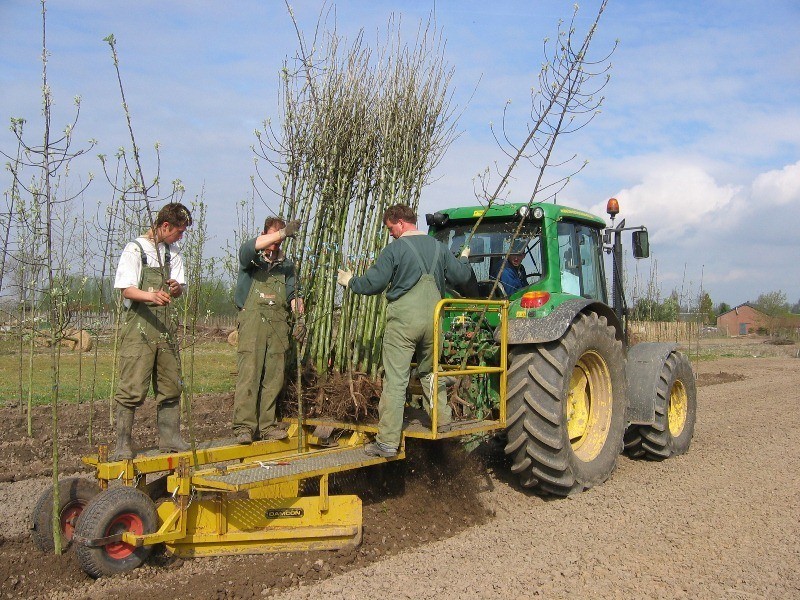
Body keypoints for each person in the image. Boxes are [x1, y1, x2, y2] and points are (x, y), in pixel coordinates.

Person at [337, 204, 473, 457]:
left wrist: (350, 281)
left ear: (400, 222)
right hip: (434, 321)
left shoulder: (395, 250)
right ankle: (442, 423)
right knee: (432, 372)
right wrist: (464, 258)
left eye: (390, 228)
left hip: (404, 323)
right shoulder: (440, 249)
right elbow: (463, 277)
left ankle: (387, 442)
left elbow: (373, 283)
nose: (390, 233)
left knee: (396, 379)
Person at [111, 202, 193, 460]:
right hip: (139, 327)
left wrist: (177, 289)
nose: (181, 236)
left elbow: (180, 287)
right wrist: (149, 295)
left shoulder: (173, 252)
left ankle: (170, 437)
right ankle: (122, 444)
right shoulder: (136, 249)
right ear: (165, 226)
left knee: (170, 384)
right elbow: (126, 289)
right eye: (179, 231)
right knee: (132, 386)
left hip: (165, 329)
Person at [232, 216, 303, 444]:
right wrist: (282, 233)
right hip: (252, 322)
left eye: (279, 241)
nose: (275, 245)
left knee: (274, 376)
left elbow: (294, 295)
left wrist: (300, 318)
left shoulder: (287, 266)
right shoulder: (250, 260)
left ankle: (267, 425)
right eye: (271, 238)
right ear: (264, 235)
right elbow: (249, 249)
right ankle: (244, 427)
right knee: (249, 374)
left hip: (279, 324)